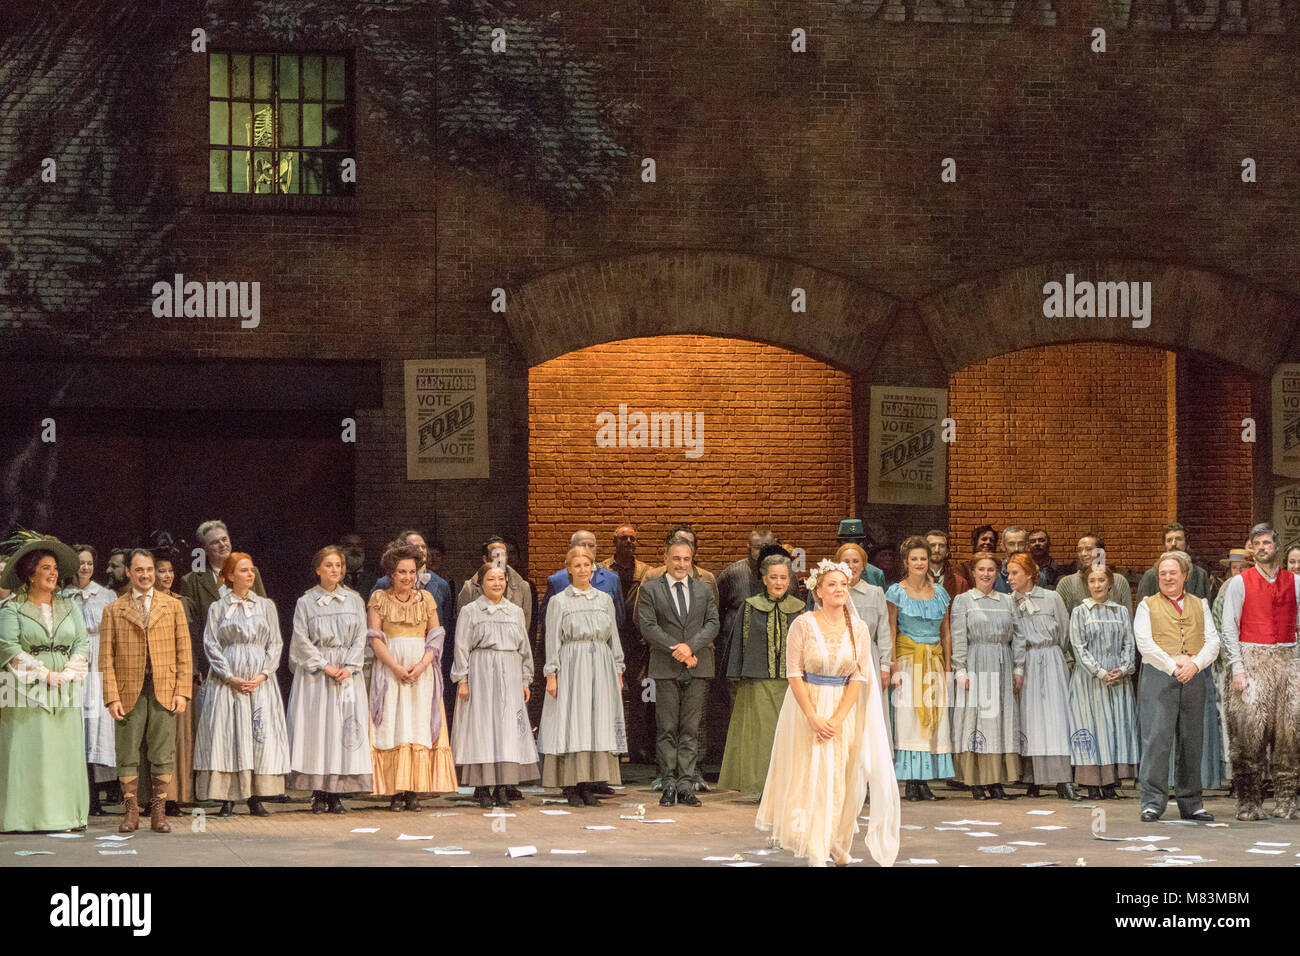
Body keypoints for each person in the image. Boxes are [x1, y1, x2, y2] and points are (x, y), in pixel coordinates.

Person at [756, 559, 898, 867]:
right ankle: (817, 846)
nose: (838, 590)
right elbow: (794, 673)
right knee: (814, 774)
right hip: (808, 705)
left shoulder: (858, 628)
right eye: (831, 584)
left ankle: (837, 840)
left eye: (843, 585)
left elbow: (859, 676)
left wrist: (837, 718)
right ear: (818, 590)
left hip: (844, 710)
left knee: (842, 776)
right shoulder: (803, 625)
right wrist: (813, 716)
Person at [0, 535, 91, 832]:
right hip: (23, 688)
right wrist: (44, 674)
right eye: (45, 568)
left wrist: (67, 673)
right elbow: (8, 647)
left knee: (61, 751)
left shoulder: (69, 606)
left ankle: (64, 816)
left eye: (54, 568)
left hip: (65, 686)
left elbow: (82, 642)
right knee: (32, 749)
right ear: (31, 573)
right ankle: (25, 817)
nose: (53, 573)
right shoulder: (13, 608)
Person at [100, 548, 193, 832]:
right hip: (129, 690)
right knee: (127, 752)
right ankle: (131, 812)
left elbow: (184, 652)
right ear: (129, 572)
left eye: (149, 569)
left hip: (163, 688)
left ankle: (159, 812)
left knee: (163, 753)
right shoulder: (114, 609)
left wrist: (182, 691)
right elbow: (106, 658)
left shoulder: (172, 605)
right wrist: (111, 695)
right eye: (139, 570)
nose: (145, 575)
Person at [193, 552, 290, 817]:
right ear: (230, 575)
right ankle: (227, 797)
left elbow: (276, 643)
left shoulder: (266, 606)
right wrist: (229, 676)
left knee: (257, 736)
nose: (250, 574)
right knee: (229, 736)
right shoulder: (219, 607)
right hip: (228, 683)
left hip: (258, 683)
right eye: (244, 570)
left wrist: (263, 674)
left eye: (252, 570)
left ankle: (256, 796)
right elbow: (210, 644)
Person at [367, 542, 457, 811]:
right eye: (402, 572)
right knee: (394, 725)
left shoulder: (427, 599)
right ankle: (396, 790)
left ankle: (414, 790)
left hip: (420, 671)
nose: (407, 577)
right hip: (391, 668)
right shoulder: (379, 598)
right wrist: (395, 667)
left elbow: (436, 636)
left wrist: (422, 665)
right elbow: (374, 637)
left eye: (411, 572)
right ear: (391, 574)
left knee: (416, 724)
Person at [1219, 523, 1300, 820]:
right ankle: (1249, 802)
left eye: (1267, 542)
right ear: (1252, 550)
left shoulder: (1295, 581)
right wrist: (1238, 669)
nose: (1262, 548)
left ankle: (1287, 800)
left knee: (1290, 736)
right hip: (1252, 662)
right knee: (1249, 737)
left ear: (1276, 547)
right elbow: (1229, 628)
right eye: (1257, 544)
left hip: (1288, 662)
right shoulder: (1241, 583)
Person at [1133, 550, 1219, 822]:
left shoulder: (1200, 604)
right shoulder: (1147, 605)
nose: (1168, 578)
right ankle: (1152, 802)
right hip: (1159, 678)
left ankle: (1191, 802)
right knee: (1157, 741)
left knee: (1191, 741)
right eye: (1163, 574)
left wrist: (1195, 665)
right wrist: (1173, 666)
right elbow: (1145, 643)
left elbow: (1213, 641)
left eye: (1173, 573)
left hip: (1193, 677)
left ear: (1184, 576)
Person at [287, 546, 373, 813]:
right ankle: (318, 791)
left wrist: (349, 666)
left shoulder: (354, 600)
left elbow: (361, 636)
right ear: (318, 570)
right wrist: (325, 666)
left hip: (346, 675)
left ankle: (336, 792)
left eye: (338, 565)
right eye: (329, 565)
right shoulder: (306, 602)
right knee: (318, 730)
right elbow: (300, 641)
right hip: (318, 676)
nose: (335, 570)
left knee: (340, 730)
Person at [539, 546, 627, 806]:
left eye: (586, 565)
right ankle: (571, 784)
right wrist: (551, 673)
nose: (582, 570)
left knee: (595, 720)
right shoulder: (559, 601)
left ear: (593, 568)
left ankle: (589, 782)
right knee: (572, 720)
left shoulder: (604, 599)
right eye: (577, 566)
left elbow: (614, 638)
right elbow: (552, 639)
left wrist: (618, 668)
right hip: (571, 664)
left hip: (600, 664)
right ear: (569, 569)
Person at [638, 538, 719, 807]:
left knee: (691, 729)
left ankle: (686, 785)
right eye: (676, 558)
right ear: (666, 559)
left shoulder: (703, 589)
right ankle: (668, 784)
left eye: (686, 559)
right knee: (667, 728)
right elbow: (648, 626)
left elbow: (712, 623)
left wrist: (691, 647)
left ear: (691, 561)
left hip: (698, 665)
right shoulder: (651, 589)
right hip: (665, 667)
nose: (681, 564)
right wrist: (678, 649)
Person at [718, 548, 806, 795]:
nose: (778, 582)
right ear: (764, 579)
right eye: (773, 577)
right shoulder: (749, 606)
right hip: (757, 683)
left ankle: (788, 788)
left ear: (789, 581)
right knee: (761, 736)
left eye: (783, 578)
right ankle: (763, 788)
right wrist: (737, 675)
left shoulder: (800, 609)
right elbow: (738, 645)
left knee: (790, 736)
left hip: (791, 685)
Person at [452, 564, 539, 808]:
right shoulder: (471, 611)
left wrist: (525, 678)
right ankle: (482, 787)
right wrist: (463, 679)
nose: (497, 584)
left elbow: (524, 648)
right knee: (483, 727)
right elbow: (461, 647)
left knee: (506, 728)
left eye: (501, 579)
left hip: (509, 671)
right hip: (481, 670)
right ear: (481, 583)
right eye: (492, 579)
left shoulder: (515, 612)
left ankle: (503, 786)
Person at [887, 536, 954, 801]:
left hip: (933, 661)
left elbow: (946, 632)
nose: (919, 563)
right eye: (914, 558)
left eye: (923, 559)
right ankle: (910, 782)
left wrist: (948, 666)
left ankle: (924, 780)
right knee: (909, 720)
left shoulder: (940, 593)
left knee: (934, 720)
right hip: (907, 660)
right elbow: (890, 630)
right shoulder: (896, 591)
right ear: (905, 562)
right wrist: (892, 666)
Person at [949, 552, 1020, 800]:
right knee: (976, 718)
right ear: (973, 572)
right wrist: (960, 668)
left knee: (998, 719)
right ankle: (976, 781)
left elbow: (1018, 635)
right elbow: (958, 636)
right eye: (981, 569)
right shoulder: (963, 601)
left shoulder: (1008, 601)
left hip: (1001, 661)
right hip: (976, 661)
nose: (986, 574)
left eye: (991, 570)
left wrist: (1018, 667)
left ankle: (996, 780)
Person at [1008, 552, 1078, 800]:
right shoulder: (1010, 602)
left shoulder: (1052, 597)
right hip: (1026, 661)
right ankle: (1032, 778)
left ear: (1029, 573)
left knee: (1056, 717)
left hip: (1050, 658)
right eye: (1008, 573)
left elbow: (1064, 630)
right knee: (1030, 718)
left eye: (1014, 572)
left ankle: (1062, 779)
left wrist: (1054, 653)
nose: (1010, 578)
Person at [1066, 564, 1140, 800]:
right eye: (1092, 581)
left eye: (1101, 580)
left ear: (1110, 583)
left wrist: (1123, 669)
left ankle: (1110, 783)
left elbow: (1129, 643)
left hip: (1117, 679)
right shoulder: (1080, 612)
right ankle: (1090, 785)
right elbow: (1078, 647)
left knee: (1114, 729)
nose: (1097, 585)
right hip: (1090, 680)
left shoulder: (1120, 612)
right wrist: (1099, 672)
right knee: (1093, 728)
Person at [370, 529, 456, 712]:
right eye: (415, 547)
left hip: (423, 660)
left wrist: (425, 662)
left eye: (423, 546)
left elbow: (444, 624)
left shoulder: (439, 586)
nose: (421, 550)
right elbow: (374, 633)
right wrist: (394, 666)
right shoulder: (381, 589)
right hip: (392, 661)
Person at [61, 544, 117, 815]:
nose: (85, 567)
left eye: (89, 563)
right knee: (75, 726)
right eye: (80, 562)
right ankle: (75, 796)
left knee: (96, 726)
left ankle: (97, 797)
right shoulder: (62, 596)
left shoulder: (106, 595)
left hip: (99, 663)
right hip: (73, 663)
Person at [599, 524, 653, 764]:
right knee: (612, 694)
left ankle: (637, 745)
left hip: (637, 641)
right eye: (624, 539)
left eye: (633, 539)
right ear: (614, 542)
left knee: (642, 693)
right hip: (610, 638)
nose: (629, 542)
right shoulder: (601, 570)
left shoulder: (646, 572)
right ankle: (613, 746)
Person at [152, 555, 200, 816]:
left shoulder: (184, 603)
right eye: (162, 571)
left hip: (179, 678)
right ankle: (152, 798)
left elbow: (191, 642)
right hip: (154, 677)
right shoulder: (145, 602)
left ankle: (174, 797)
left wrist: (192, 675)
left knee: (178, 740)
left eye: (170, 571)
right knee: (154, 739)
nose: (167, 576)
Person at [829, 543, 892, 732]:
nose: (851, 565)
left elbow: (884, 632)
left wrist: (885, 666)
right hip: (838, 658)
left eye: (856, 561)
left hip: (868, 659)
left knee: (867, 709)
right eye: (846, 561)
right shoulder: (830, 592)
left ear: (863, 565)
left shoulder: (875, 593)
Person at [178, 520, 268, 624]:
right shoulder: (191, 581)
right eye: (215, 542)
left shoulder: (252, 572)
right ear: (205, 549)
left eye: (224, 539)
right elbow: (190, 627)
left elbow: (264, 613)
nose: (222, 545)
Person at [543, 530, 626, 628]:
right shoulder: (557, 581)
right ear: (571, 548)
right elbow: (547, 618)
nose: (587, 550)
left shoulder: (611, 579)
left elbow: (619, 618)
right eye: (582, 545)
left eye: (591, 546)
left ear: (596, 549)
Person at [1055, 531, 1132, 616]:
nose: (1083, 554)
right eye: (1080, 550)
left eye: (1088, 549)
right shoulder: (1066, 584)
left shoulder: (1119, 582)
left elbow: (1128, 620)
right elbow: (1060, 624)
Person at [1136, 523, 1212, 601]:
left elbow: (1206, 607)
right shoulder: (1151, 575)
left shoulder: (1200, 575)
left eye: (1178, 539)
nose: (1173, 544)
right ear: (1164, 545)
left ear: (1187, 544)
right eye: (1169, 540)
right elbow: (1142, 608)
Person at [835, 519, 886, 587]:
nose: (851, 548)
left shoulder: (876, 574)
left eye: (856, 544)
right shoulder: (830, 574)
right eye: (847, 544)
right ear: (840, 546)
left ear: (862, 545)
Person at [924, 529, 970, 597]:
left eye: (941, 546)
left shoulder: (960, 583)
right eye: (932, 545)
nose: (937, 550)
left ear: (947, 552)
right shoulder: (912, 581)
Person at [992, 526, 1027, 594]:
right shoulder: (993, 576)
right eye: (1011, 544)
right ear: (1003, 547)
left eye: (1021, 544)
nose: (1016, 549)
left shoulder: (1038, 576)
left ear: (1026, 546)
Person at [339, 533, 376, 598]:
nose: (355, 549)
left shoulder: (374, 580)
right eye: (349, 545)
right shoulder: (333, 578)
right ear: (341, 549)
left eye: (359, 545)